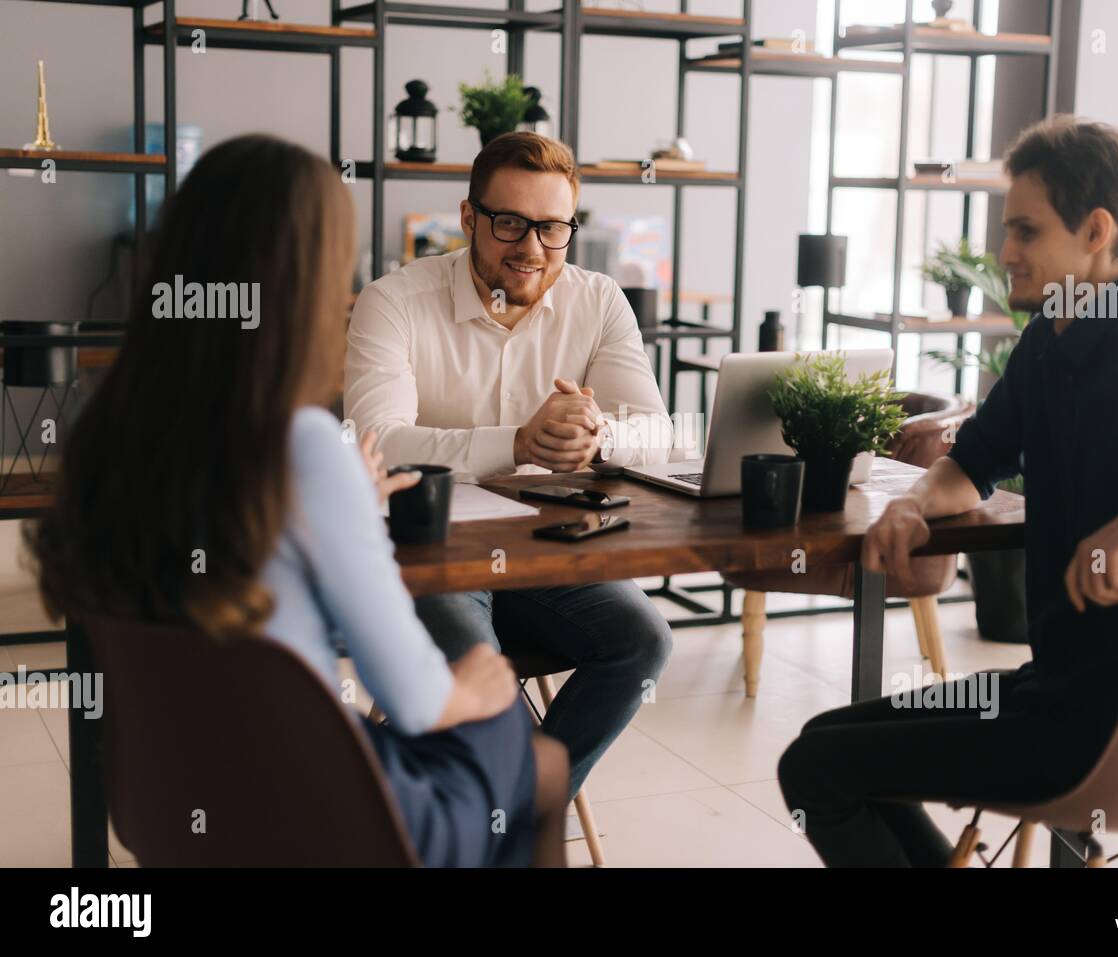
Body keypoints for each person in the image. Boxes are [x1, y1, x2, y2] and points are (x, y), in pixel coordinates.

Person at [25, 134, 568, 867]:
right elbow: (412, 698)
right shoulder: (306, 446)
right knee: (518, 740)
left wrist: (346, 501)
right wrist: (477, 682)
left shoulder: (103, 430)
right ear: (305, 284)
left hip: (178, 798)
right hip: (317, 816)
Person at [778, 116, 1118, 867]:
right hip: (1049, 692)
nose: (1005, 253)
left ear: (1095, 231)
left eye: (1025, 231)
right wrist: (913, 502)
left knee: (816, 773)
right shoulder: (1050, 344)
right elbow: (974, 464)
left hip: (1110, 728)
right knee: (821, 746)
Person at [345, 132, 674, 797]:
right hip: (434, 552)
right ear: (468, 219)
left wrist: (596, 435)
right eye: (509, 224)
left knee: (643, 642)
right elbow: (375, 443)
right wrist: (517, 444)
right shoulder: (393, 301)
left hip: (548, 552)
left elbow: (658, 435)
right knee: (481, 673)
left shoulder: (599, 300)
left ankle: (519, 816)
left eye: (551, 228)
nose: (531, 248)